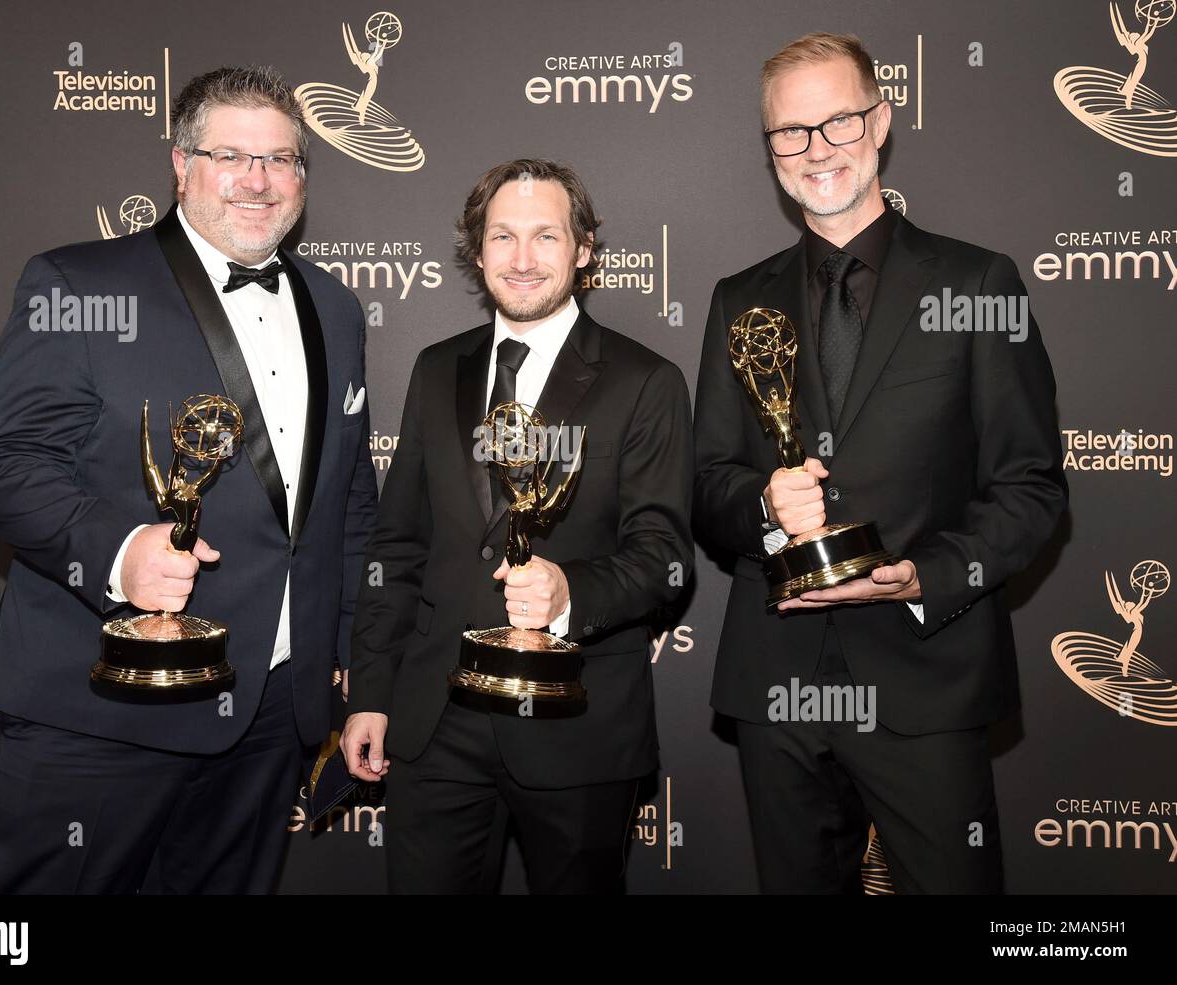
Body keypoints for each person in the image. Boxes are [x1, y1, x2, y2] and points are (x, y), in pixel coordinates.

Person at [0, 65, 377, 893]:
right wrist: (117, 554)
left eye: (283, 159)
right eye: (232, 155)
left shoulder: (333, 304)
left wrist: (349, 655)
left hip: (269, 711)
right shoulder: (78, 283)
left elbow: (347, 499)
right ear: (181, 164)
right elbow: (2, 470)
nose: (259, 181)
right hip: (103, 707)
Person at [694, 33, 1067, 893]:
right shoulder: (737, 299)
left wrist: (918, 576)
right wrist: (763, 505)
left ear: (882, 120)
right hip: (776, 685)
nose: (816, 149)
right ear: (769, 149)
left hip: (924, 677)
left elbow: (1032, 487)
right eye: (791, 132)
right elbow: (708, 482)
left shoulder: (977, 284)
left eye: (838, 122)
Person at [343, 159, 693, 894]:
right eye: (503, 236)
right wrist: (372, 691)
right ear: (477, 252)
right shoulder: (437, 369)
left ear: (585, 249)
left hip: (578, 724)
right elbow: (398, 544)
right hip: (436, 721)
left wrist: (568, 593)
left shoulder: (645, 381)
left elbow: (665, 559)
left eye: (546, 236)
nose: (524, 259)